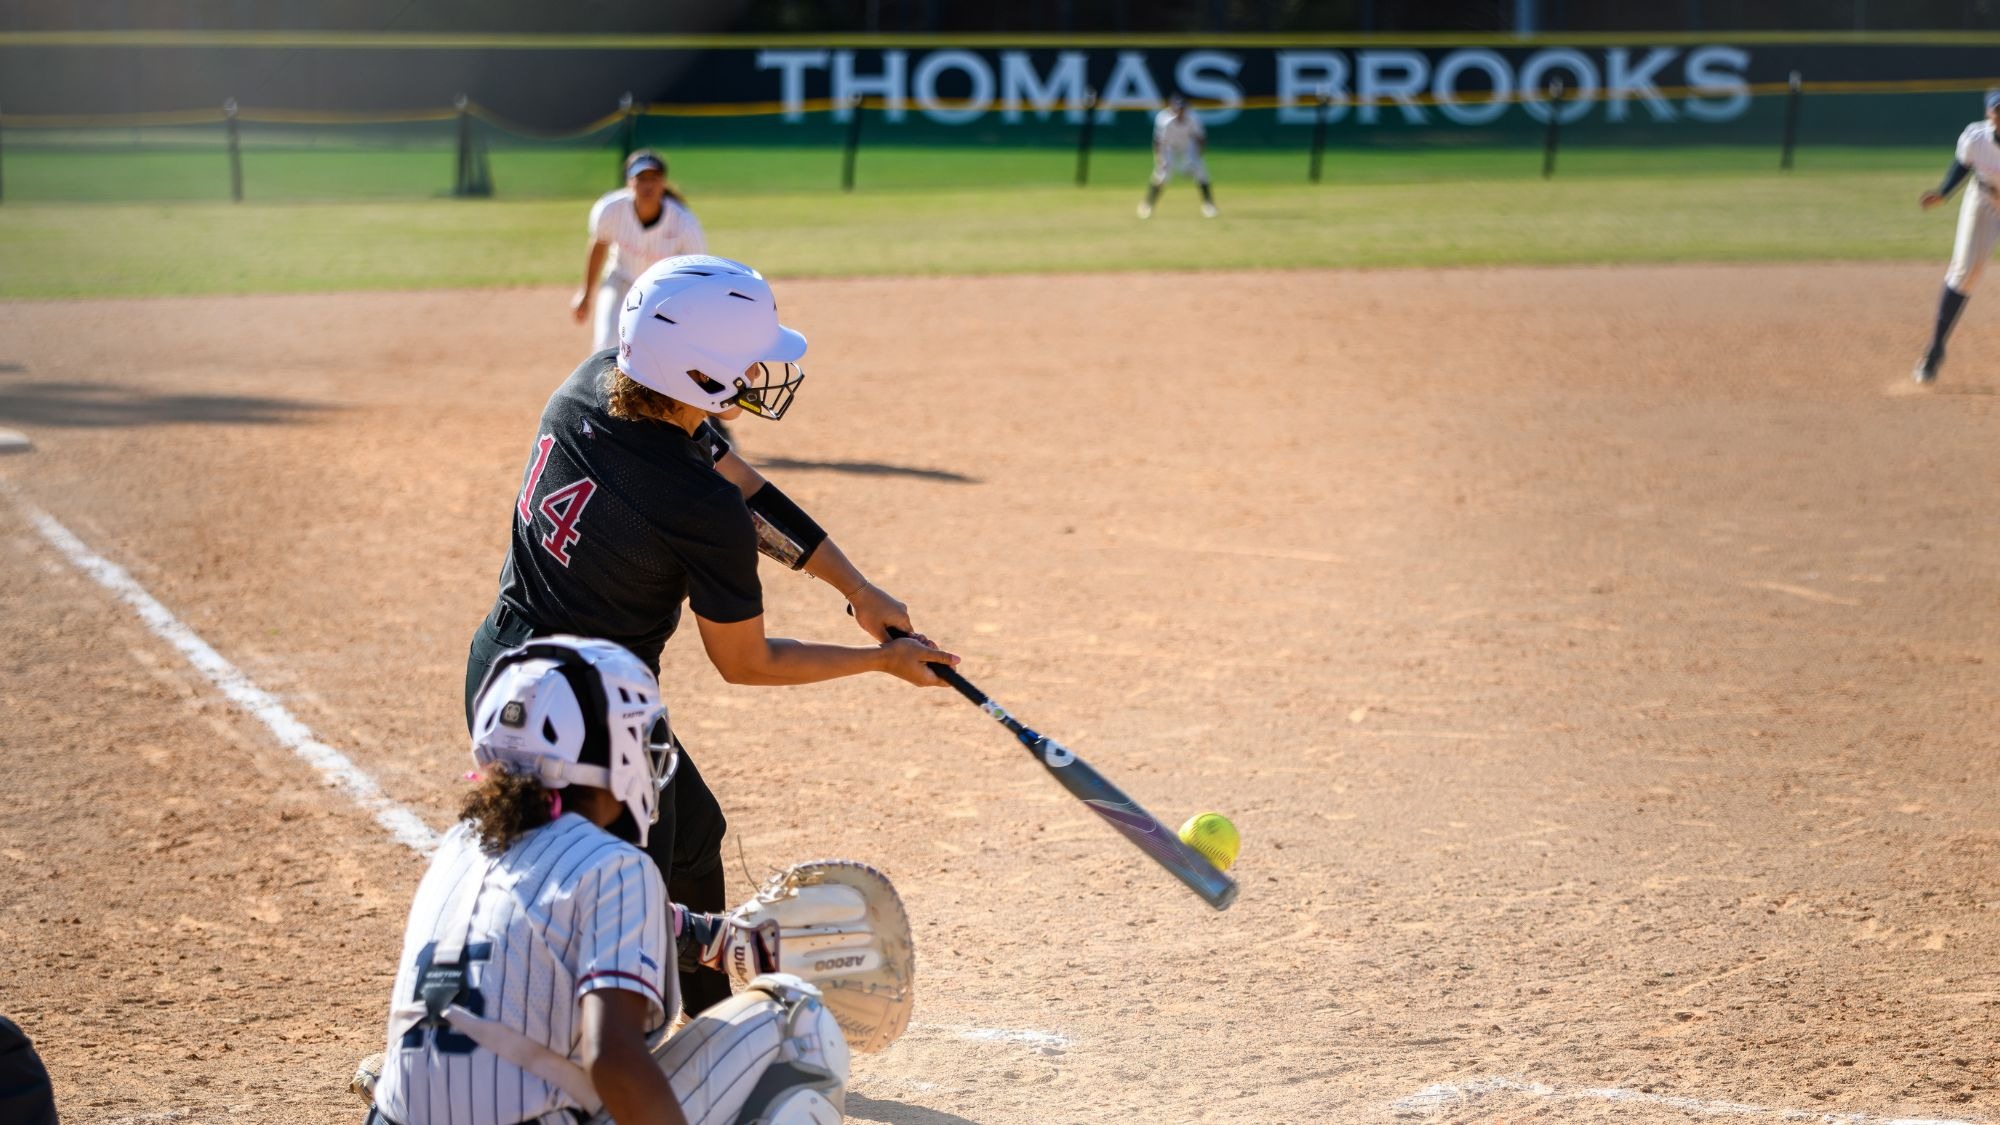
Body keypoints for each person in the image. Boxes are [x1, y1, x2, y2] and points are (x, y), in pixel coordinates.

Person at [469, 253, 957, 1019]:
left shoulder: (597, 381)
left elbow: (745, 488)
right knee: (616, 912)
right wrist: (880, 662)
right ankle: (560, 1050)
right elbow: (746, 661)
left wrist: (856, 589)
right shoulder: (696, 505)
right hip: (589, 722)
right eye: (748, 361)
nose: (763, 371)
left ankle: (709, 1025)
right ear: (698, 376)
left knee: (694, 840)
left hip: (502, 662)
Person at [368, 636, 850, 1125]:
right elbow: (613, 1062)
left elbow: (554, 920)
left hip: (394, 1116)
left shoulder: (461, 845)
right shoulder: (616, 865)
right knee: (794, 1022)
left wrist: (710, 937)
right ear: (609, 752)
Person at [574, 151, 707, 356]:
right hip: (620, 279)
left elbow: (698, 271)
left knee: (661, 349)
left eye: (653, 178)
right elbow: (599, 246)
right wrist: (586, 293)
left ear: (663, 182)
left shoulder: (684, 222)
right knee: (606, 343)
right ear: (629, 182)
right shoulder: (609, 209)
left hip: (662, 290)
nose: (648, 185)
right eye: (641, 178)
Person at [1914, 88, 2000, 383]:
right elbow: (1962, 166)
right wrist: (1943, 193)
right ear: (1989, 113)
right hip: (1985, 201)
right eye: (1996, 110)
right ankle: (1935, 350)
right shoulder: (1976, 138)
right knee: (1967, 271)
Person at [1138, 95, 1218, 220]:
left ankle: (1209, 205)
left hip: (1188, 146)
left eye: (1182, 108)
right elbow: (1158, 141)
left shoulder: (1193, 118)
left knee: (1201, 173)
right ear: (1172, 108)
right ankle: (1147, 205)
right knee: (1162, 176)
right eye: (1177, 108)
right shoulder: (1164, 119)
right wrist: (1159, 158)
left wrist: (1198, 156)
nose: (1179, 111)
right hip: (1168, 148)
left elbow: (1201, 138)